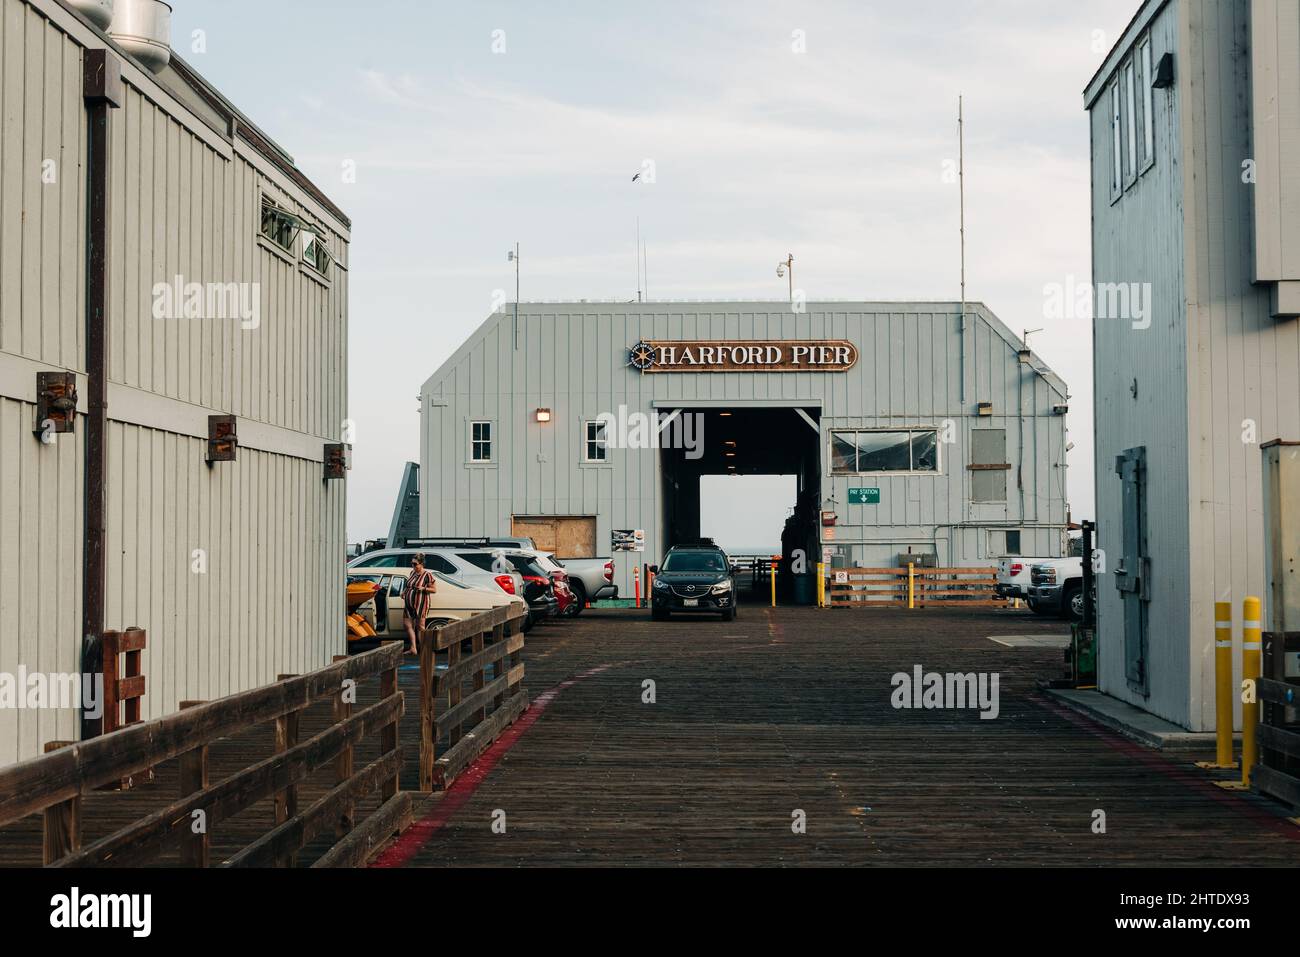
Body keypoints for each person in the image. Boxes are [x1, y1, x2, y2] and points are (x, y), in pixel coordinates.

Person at [403, 554, 437, 655]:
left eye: (415, 564)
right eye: (412, 564)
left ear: (421, 564)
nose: (413, 566)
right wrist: (404, 592)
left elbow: (434, 590)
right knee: (407, 625)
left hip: (420, 604)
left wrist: (424, 588)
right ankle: (413, 648)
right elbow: (409, 586)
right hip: (409, 604)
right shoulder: (412, 572)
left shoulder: (427, 575)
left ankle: (425, 648)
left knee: (420, 627)